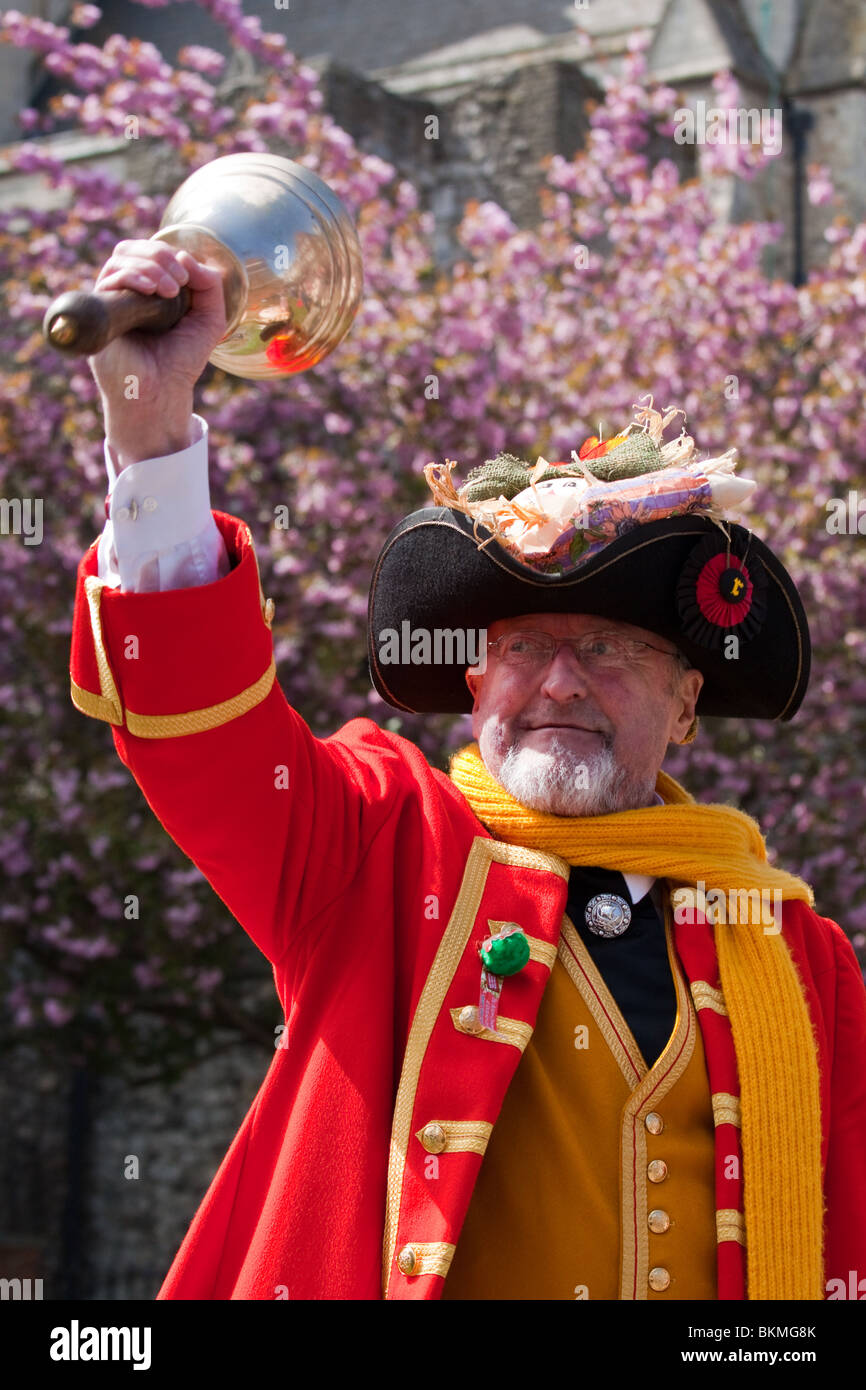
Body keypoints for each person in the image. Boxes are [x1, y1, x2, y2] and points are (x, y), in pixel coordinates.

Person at [70, 237, 866, 1301]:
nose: (562, 684)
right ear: (473, 681)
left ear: (684, 705)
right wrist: (152, 420)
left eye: (613, 650)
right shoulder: (375, 846)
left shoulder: (798, 957)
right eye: (524, 648)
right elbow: (198, 725)